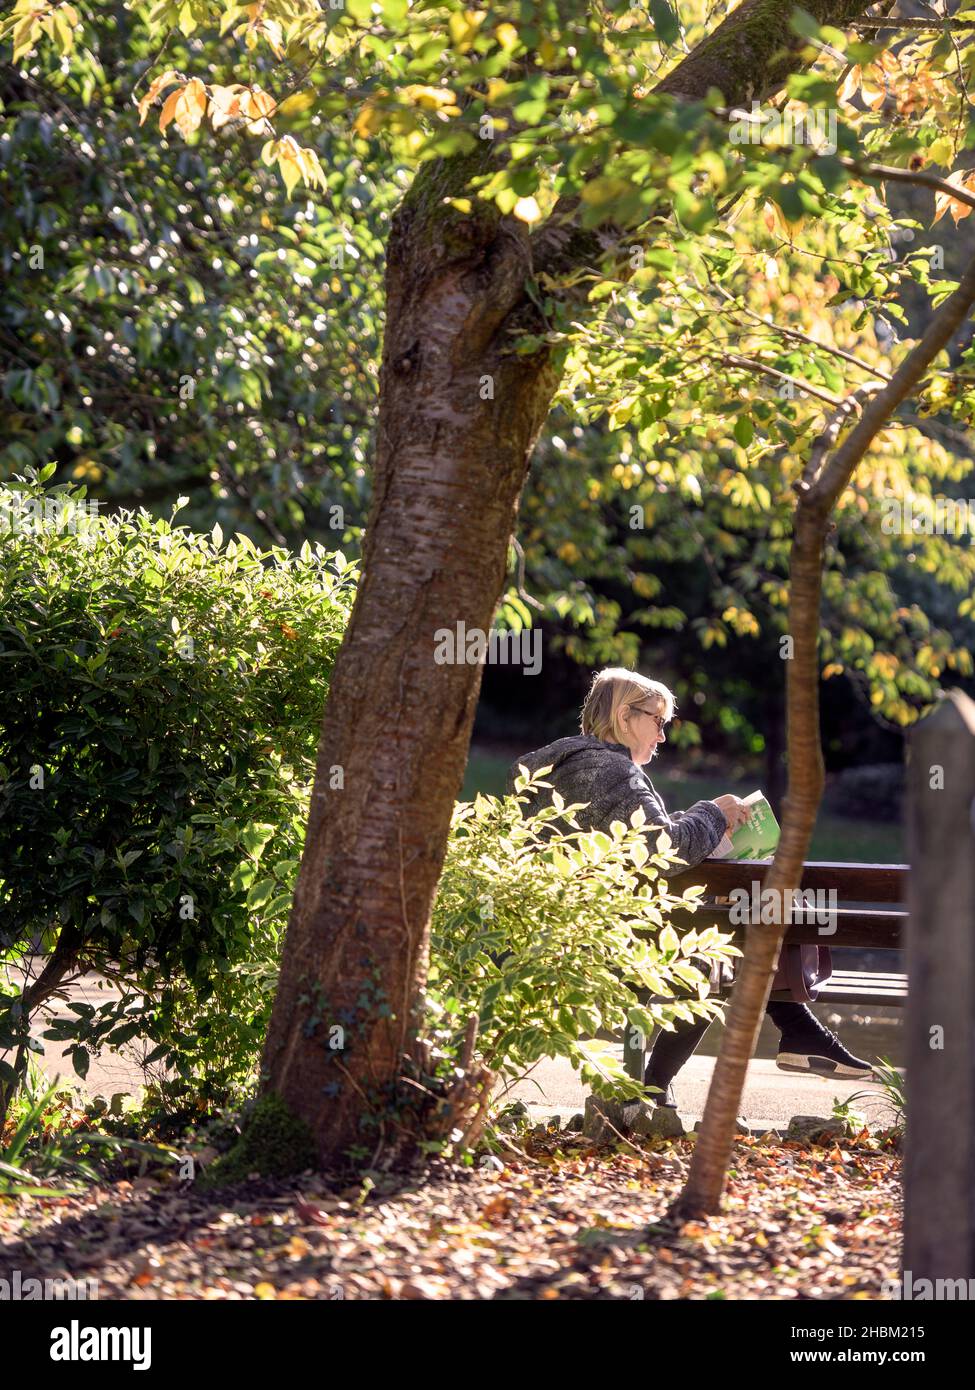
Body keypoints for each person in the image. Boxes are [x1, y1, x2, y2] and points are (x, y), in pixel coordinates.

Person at [505, 667, 873, 1107]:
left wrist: (702, 822)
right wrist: (712, 812)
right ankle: (784, 1034)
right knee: (716, 954)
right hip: (599, 938)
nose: (662, 737)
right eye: (658, 722)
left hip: (557, 924)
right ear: (625, 716)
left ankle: (793, 1032)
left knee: (721, 936)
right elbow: (663, 849)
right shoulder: (613, 773)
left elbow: (634, 842)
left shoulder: (561, 766)